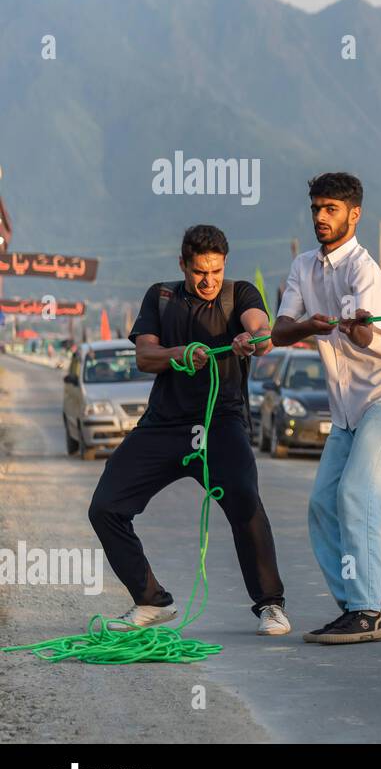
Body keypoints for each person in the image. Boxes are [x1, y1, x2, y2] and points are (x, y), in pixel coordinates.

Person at [90, 224, 289, 635]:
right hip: (164, 424)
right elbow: (145, 356)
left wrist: (253, 338)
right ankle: (150, 600)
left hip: (222, 421)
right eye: (200, 271)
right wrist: (178, 354)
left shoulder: (240, 294)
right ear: (183, 265)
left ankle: (270, 604)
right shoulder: (161, 297)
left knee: (246, 504)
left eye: (216, 271)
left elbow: (263, 331)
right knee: (105, 507)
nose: (209, 281)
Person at [272, 172, 381, 645]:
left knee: (357, 498)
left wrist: (349, 325)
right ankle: (354, 606)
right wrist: (308, 326)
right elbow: (280, 331)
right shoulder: (303, 267)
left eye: (331, 208)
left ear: (353, 215)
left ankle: (367, 610)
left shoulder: (364, 270)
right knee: (322, 506)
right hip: (346, 411)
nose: (320, 216)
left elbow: (363, 333)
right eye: (316, 207)